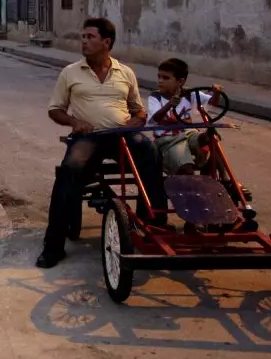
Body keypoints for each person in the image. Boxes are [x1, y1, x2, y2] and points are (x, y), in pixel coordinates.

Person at [38, 18, 169, 268]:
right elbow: (55, 110)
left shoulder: (125, 73)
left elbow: (139, 112)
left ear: (106, 42)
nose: (84, 41)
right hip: (90, 137)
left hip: (122, 135)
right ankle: (53, 246)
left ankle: (152, 224)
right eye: (83, 37)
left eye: (90, 37)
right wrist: (73, 122)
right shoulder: (70, 72)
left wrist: (136, 121)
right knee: (69, 170)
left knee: (150, 153)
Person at [146, 58, 223, 175]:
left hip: (188, 134)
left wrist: (216, 93)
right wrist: (169, 104)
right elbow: (154, 119)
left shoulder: (188, 94)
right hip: (168, 140)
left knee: (211, 137)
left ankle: (225, 179)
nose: (160, 81)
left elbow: (212, 103)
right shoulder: (156, 96)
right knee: (186, 168)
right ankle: (189, 183)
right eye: (159, 77)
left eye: (165, 78)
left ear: (180, 81)